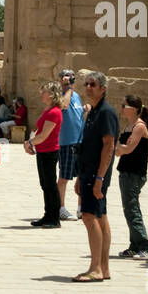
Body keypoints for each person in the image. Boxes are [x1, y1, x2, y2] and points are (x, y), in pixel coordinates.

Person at [72, 72, 118, 282]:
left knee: (89, 216)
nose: (88, 87)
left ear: (103, 89)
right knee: (100, 216)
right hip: (89, 171)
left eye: (93, 84)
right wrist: (81, 177)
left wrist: (99, 178)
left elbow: (109, 145)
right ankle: (104, 267)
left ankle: (95, 268)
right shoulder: (94, 112)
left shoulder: (106, 113)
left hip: (96, 173)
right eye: (87, 84)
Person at [116, 95, 148, 260]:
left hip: (134, 173)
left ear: (134, 109)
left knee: (132, 209)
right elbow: (120, 151)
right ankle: (134, 245)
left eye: (125, 105)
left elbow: (127, 149)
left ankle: (146, 247)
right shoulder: (128, 127)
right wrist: (120, 147)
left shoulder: (139, 127)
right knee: (129, 209)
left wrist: (118, 146)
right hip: (125, 172)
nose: (122, 108)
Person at [25, 82, 62, 228]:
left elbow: (44, 135)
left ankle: (54, 218)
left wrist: (29, 142)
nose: (41, 94)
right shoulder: (48, 109)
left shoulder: (54, 112)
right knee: (45, 185)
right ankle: (48, 215)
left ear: (52, 94)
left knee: (50, 185)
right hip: (42, 151)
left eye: (44, 92)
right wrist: (33, 143)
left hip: (49, 151)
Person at [57, 69, 85, 220]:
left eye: (71, 75)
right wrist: (68, 89)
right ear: (61, 79)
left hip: (80, 141)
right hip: (66, 142)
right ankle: (60, 207)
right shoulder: (61, 96)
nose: (69, 77)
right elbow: (64, 106)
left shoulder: (77, 96)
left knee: (82, 176)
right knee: (64, 177)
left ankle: (81, 208)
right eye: (66, 76)